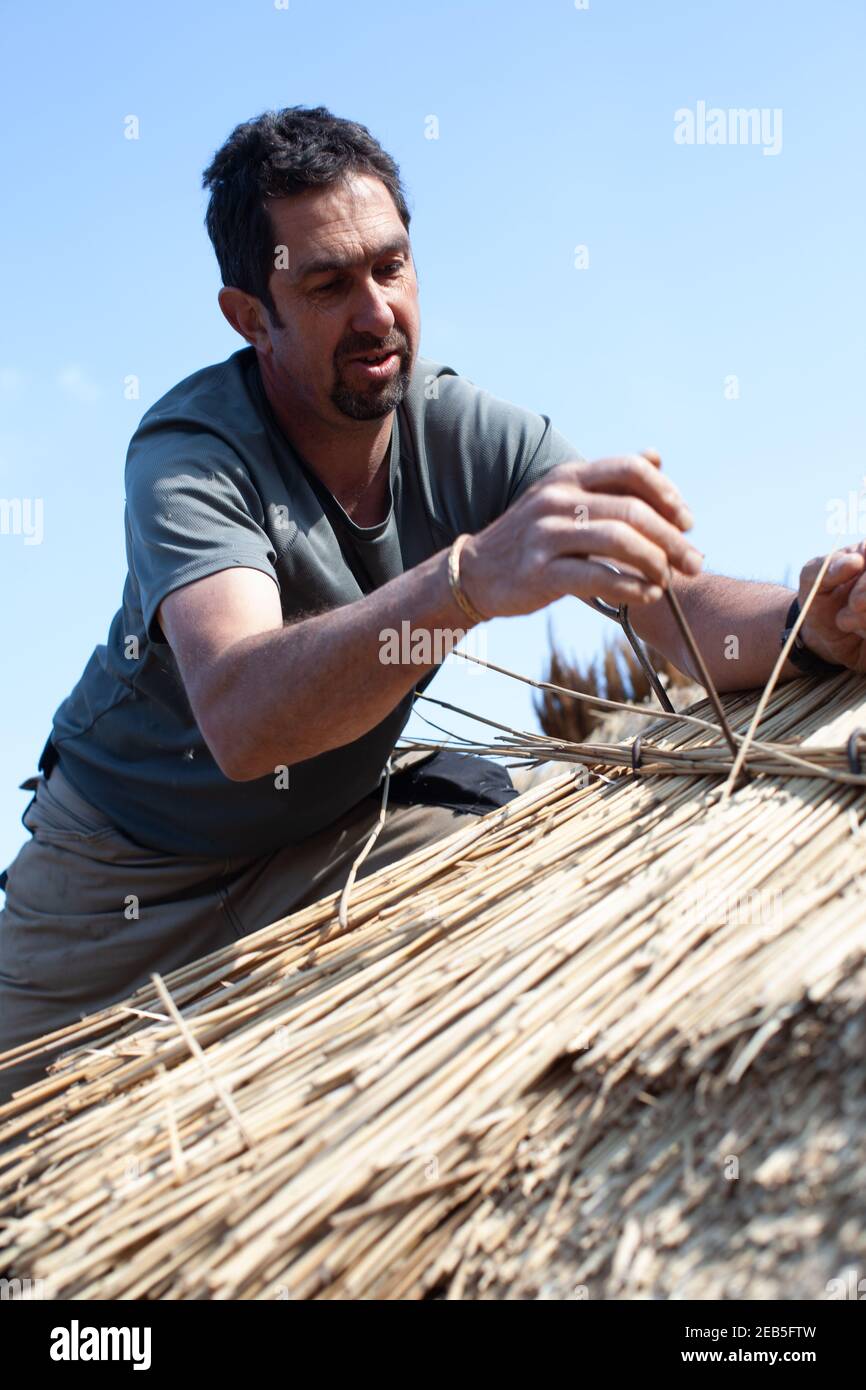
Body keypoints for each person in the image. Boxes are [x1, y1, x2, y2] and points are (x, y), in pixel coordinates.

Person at [1, 106, 864, 1105]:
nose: (375, 312)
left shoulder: (464, 432)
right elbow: (242, 719)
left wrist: (812, 621)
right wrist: (464, 580)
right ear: (250, 316)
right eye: (326, 285)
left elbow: (669, 608)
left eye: (390, 266)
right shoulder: (191, 454)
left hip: (333, 842)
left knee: (509, 889)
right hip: (123, 881)